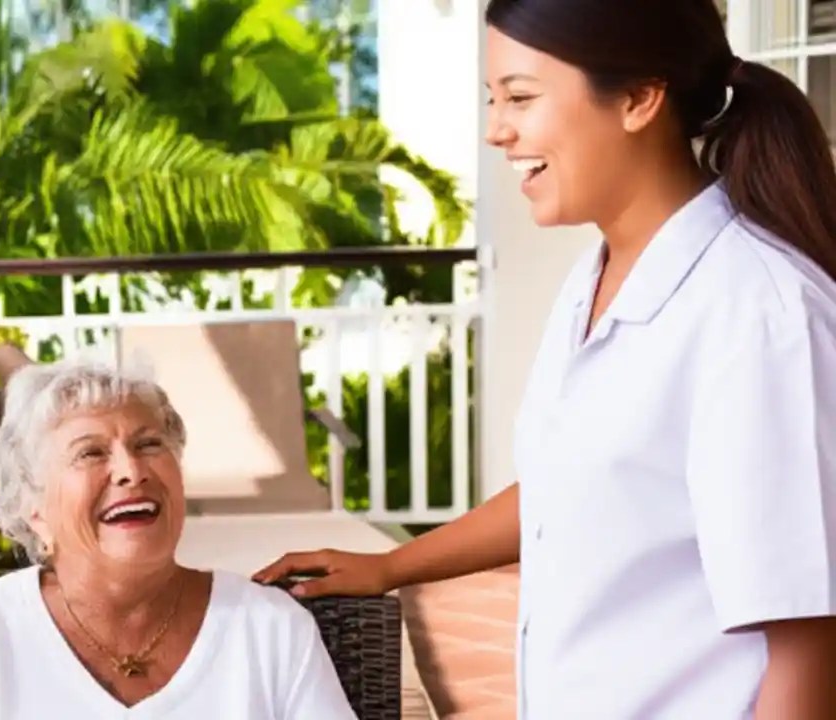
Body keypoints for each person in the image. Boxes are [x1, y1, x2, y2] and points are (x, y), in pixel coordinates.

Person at [256, 1, 836, 717]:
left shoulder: (759, 314)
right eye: (493, 100)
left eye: (521, 98)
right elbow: (571, 485)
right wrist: (389, 567)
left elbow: (809, 640)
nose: (497, 130)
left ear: (637, 98)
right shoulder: (596, 278)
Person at [0, 358, 356, 719]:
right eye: (91, 453)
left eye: (148, 445)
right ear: (36, 511)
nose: (131, 470)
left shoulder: (269, 630)